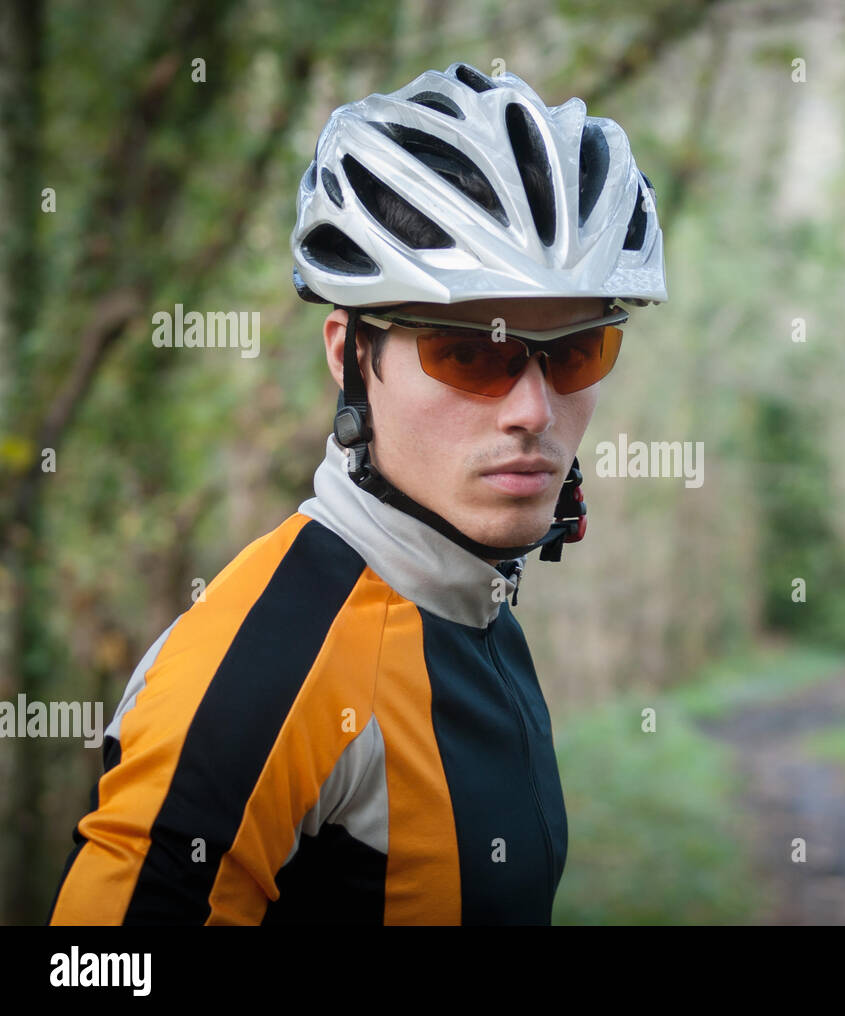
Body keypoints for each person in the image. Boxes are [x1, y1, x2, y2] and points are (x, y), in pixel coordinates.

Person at [46, 61, 666, 925]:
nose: (534, 411)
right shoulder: (259, 674)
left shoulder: (471, 607)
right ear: (348, 355)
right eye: (471, 354)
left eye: (574, 352)